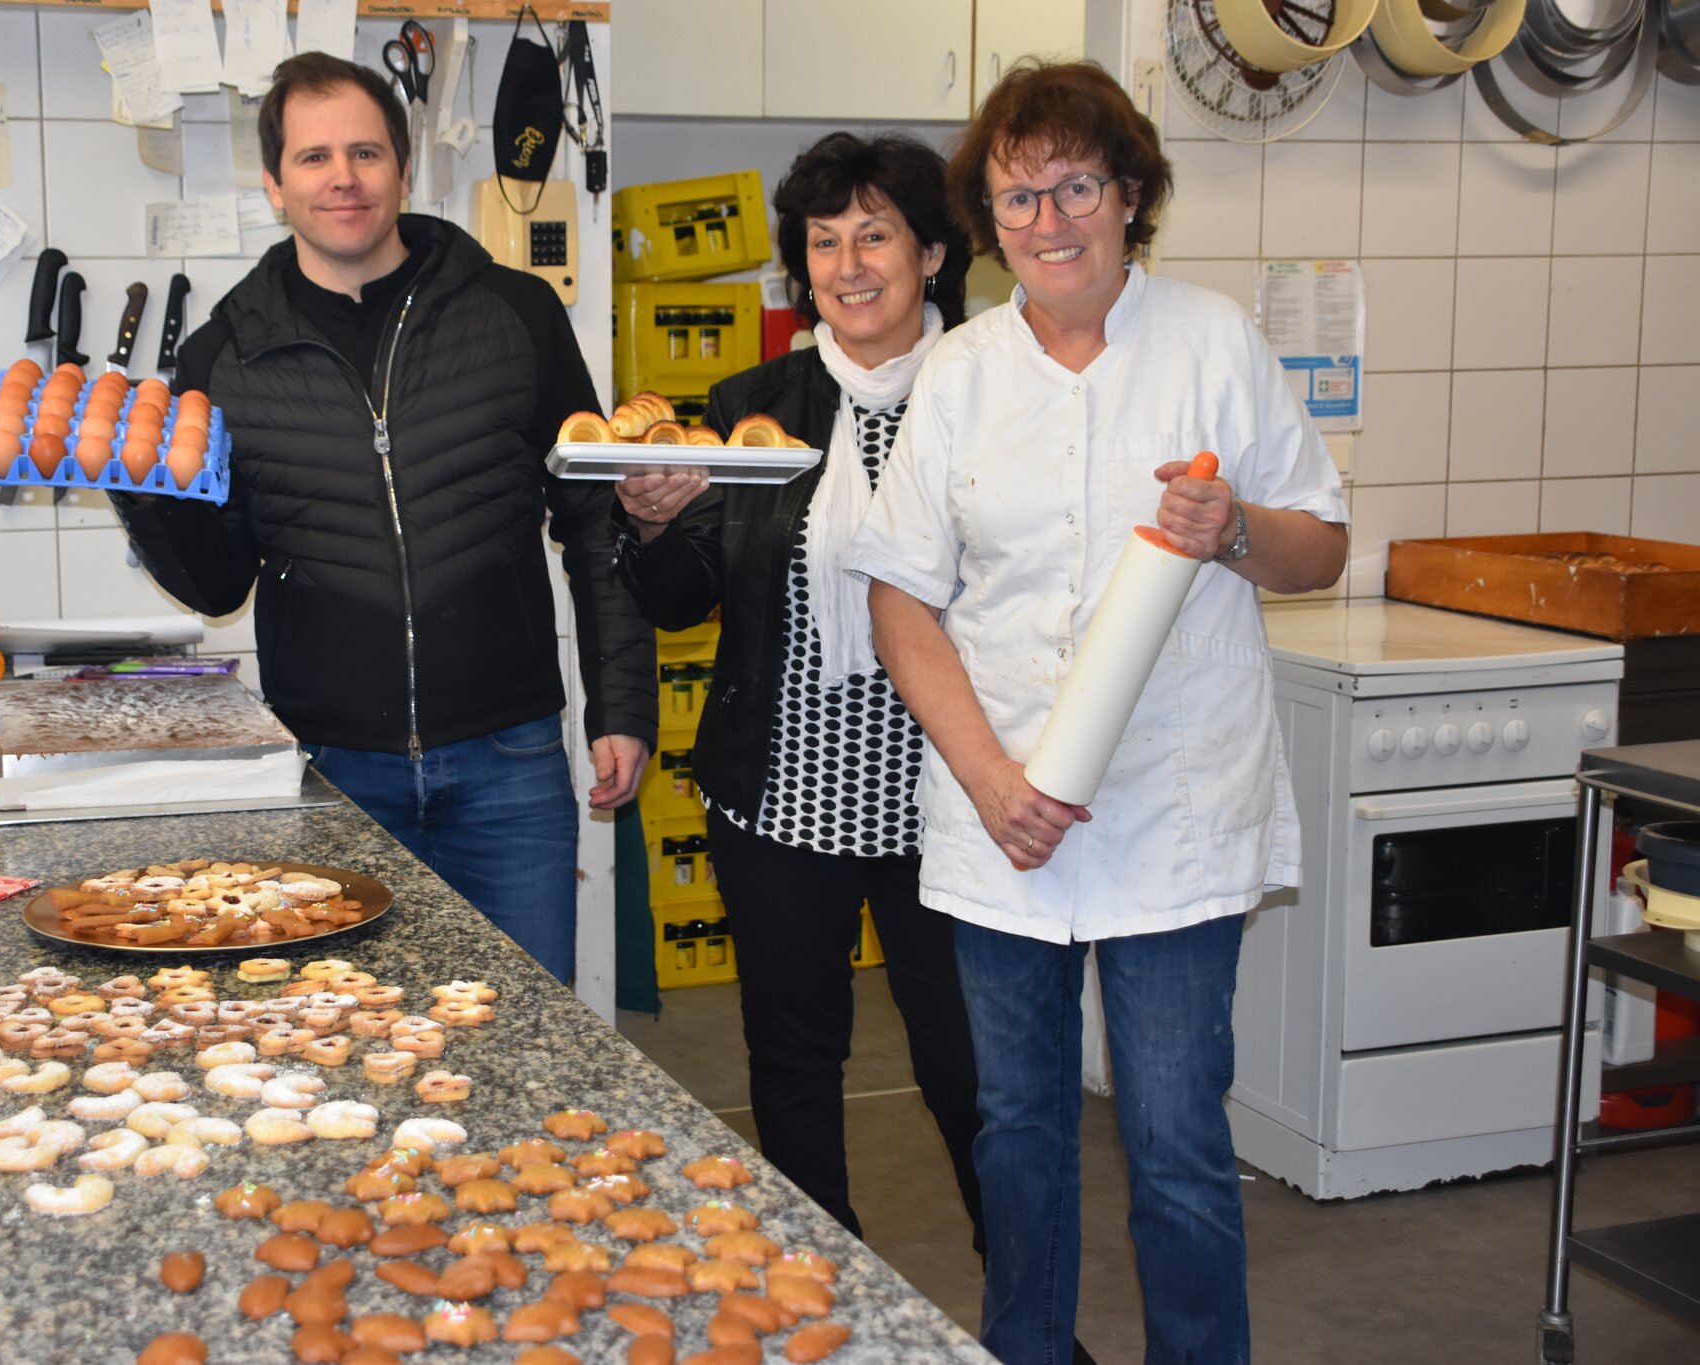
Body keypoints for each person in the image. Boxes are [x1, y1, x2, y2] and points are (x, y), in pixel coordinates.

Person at [848, 61, 1349, 1365]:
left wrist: (1235, 526)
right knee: (1017, 1137)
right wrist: (990, 779)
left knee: (1177, 1142)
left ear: (1131, 195)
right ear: (987, 219)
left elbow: (1322, 549)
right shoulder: (957, 374)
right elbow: (905, 601)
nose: (1049, 220)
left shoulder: (1211, 343)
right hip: (1001, 814)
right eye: (1018, 197)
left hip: (1176, 818)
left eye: (1076, 186)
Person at [111, 54, 656, 983]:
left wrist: (623, 704)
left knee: (526, 1043)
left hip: (509, 764)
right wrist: (138, 482)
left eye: (365, 151)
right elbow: (216, 583)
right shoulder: (224, 355)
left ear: (403, 168)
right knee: (352, 1059)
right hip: (332, 775)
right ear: (275, 181)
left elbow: (594, 521)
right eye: (315, 156)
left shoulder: (515, 313)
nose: (343, 177)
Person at [609, 133, 985, 1253]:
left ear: (929, 252)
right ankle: (820, 1287)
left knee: (972, 1072)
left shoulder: (989, 395)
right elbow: (680, 600)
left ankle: (1027, 1313)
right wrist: (650, 520)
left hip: (950, 801)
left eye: (873, 234)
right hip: (779, 801)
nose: (847, 262)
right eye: (823, 241)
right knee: (792, 1063)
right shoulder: (748, 405)